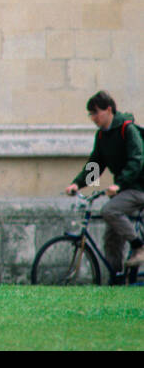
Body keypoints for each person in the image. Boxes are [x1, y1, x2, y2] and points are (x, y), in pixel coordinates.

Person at [66, 90, 144, 280]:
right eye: (90, 114)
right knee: (111, 237)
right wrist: (77, 184)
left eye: (96, 112)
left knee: (109, 210)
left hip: (139, 188)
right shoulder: (102, 136)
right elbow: (95, 165)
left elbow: (137, 160)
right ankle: (116, 277)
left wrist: (119, 184)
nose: (93, 118)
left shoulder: (127, 129)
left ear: (108, 110)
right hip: (125, 190)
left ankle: (139, 247)